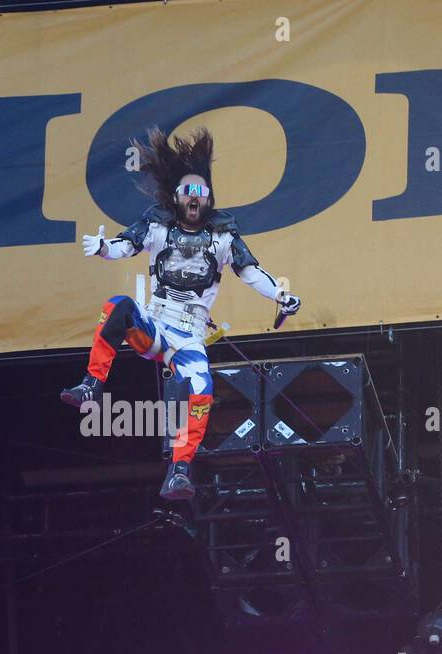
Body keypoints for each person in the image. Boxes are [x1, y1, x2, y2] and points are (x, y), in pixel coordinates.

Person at [62, 126, 301, 499]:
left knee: (203, 386)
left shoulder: (223, 236)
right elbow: (125, 246)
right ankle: (91, 385)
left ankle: (180, 469)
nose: (194, 197)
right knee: (118, 306)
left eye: (201, 192)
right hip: (155, 326)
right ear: (176, 197)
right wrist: (103, 247)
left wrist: (280, 294)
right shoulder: (157, 226)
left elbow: (249, 271)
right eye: (187, 192)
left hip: (189, 336)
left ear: (209, 199)